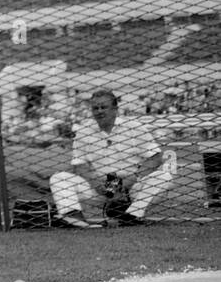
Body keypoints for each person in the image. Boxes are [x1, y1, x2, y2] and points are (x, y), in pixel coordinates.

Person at [49, 89, 174, 228]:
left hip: (132, 187)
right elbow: (79, 165)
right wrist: (96, 184)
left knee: (164, 176)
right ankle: (74, 220)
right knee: (59, 178)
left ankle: (131, 216)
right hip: (100, 187)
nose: (99, 111)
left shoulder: (135, 128)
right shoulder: (84, 132)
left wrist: (134, 178)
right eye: (95, 108)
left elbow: (155, 157)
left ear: (115, 108)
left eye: (104, 107)